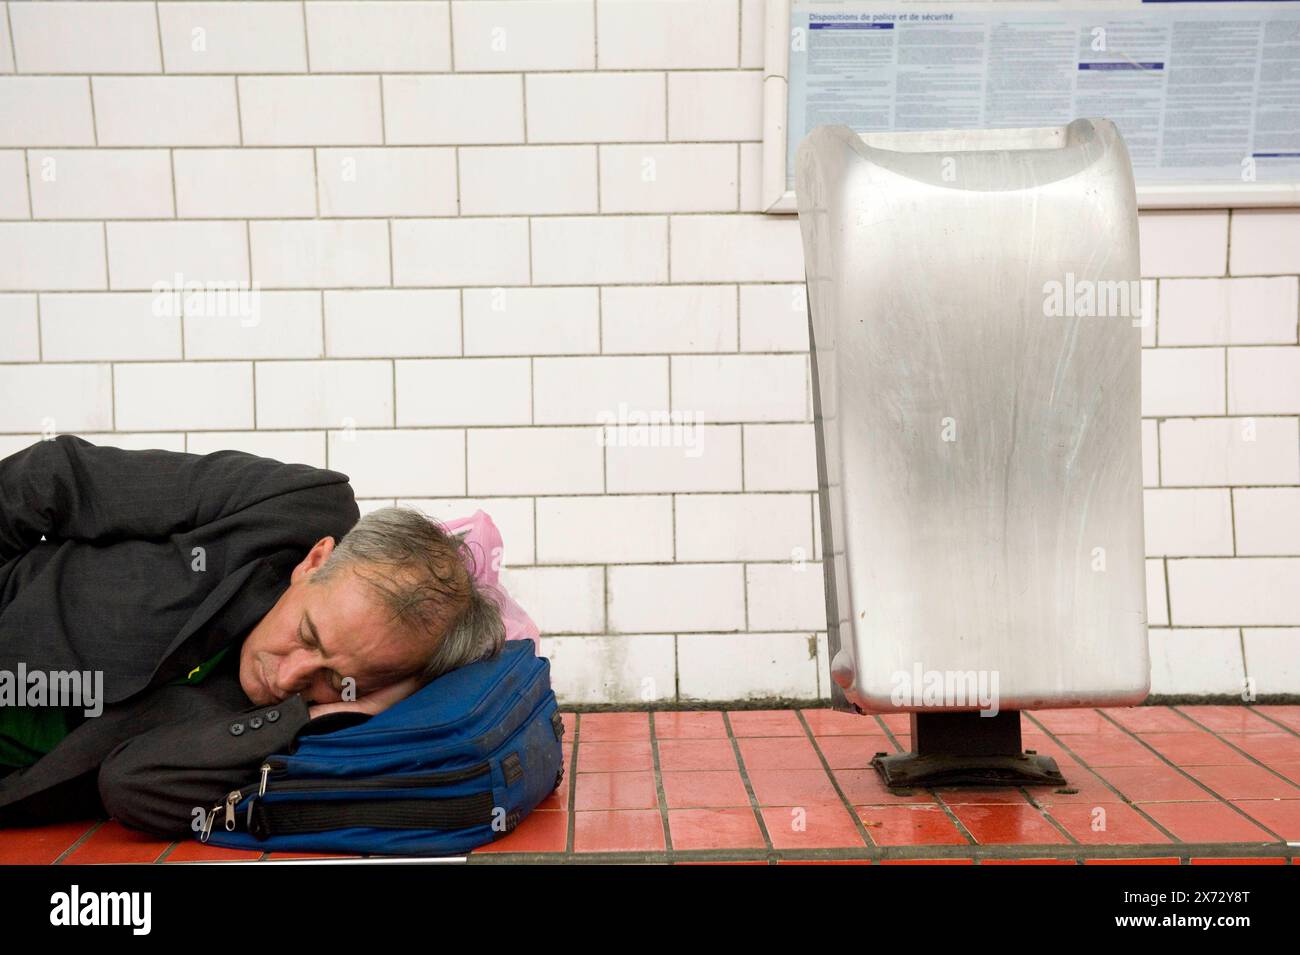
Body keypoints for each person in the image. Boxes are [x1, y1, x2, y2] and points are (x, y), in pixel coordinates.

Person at [0, 434, 504, 836]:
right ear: (315, 561)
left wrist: (317, 714)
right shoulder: (287, 508)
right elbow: (58, 476)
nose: (288, 677)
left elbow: (131, 786)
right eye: (307, 635)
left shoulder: (264, 727)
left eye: (333, 677)